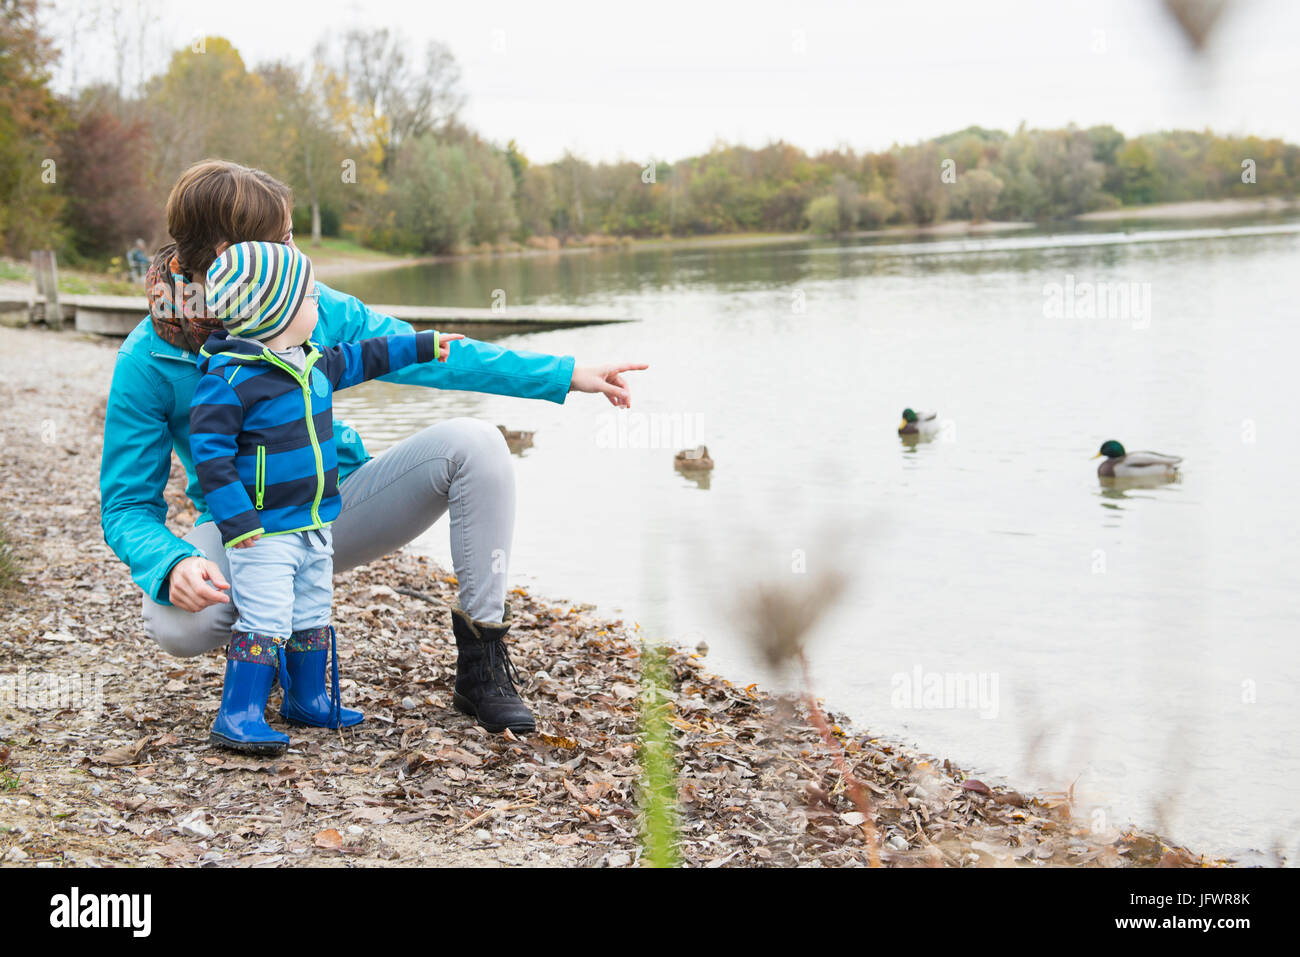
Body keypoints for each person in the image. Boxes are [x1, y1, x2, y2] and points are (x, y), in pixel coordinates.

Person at [99, 160, 646, 735]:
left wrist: (564, 372)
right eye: (286, 238)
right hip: (247, 532)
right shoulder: (147, 359)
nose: (300, 253)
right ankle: (271, 649)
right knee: (176, 624)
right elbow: (127, 507)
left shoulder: (307, 303)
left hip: (335, 508)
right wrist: (172, 563)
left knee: (477, 443)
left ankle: (482, 665)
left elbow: (424, 351)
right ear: (237, 252)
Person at [193, 241, 460, 753]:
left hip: (316, 521)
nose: (319, 306)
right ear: (275, 309)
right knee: (266, 618)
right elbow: (211, 457)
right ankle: (239, 713)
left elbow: (368, 356)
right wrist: (237, 521)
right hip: (264, 531)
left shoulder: (314, 363)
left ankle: (307, 697)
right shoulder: (228, 381)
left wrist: (423, 344)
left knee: (312, 611)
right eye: (311, 298)